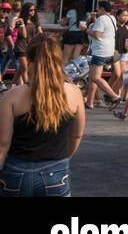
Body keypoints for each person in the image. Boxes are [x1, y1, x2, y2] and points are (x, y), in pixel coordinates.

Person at [0, 34, 85, 196]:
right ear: (58, 60)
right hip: (56, 170)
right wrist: (62, 158)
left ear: (29, 61)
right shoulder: (74, 93)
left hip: (15, 171)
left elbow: (3, 143)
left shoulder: (12, 96)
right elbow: (76, 136)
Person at [84, 3, 120, 109]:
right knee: (92, 76)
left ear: (102, 9)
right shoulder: (112, 18)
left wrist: (86, 30)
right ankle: (90, 102)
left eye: (98, 8)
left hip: (100, 50)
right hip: (108, 49)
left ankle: (113, 96)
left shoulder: (101, 19)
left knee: (95, 77)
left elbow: (96, 34)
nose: (96, 10)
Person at [12, 3, 42, 86]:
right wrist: (22, 24)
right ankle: (27, 86)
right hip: (20, 47)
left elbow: (40, 33)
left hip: (29, 47)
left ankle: (12, 84)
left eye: (34, 10)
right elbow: (24, 35)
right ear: (26, 11)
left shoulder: (35, 21)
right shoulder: (20, 21)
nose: (33, 12)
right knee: (25, 68)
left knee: (21, 69)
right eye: (30, 10)